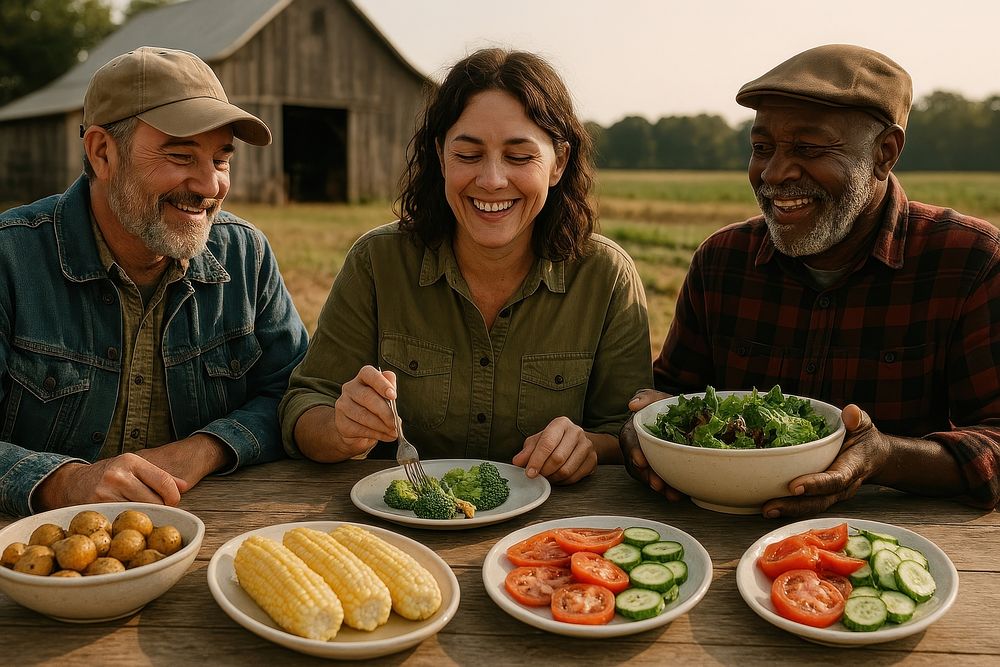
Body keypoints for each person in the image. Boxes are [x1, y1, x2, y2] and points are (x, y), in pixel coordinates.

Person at [621, 44, 1000, 516]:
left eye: (809, 148)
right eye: (762, 148)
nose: (776, 173)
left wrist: (884, 458)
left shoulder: (968, 261)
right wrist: (643, 424)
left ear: (885, 154)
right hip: (721, 538)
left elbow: (995, 438)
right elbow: (673, 396)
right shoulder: (722, 262)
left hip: (894, 547)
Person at [279, 48, 651, 484]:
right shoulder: (377, 262)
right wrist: (340, 430)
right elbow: (304, 404)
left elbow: (628, 434)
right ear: (440, 157)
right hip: (398, 531)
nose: (492, 179)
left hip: (546, 539)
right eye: (468, 155)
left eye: (519, 156)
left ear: (559, 163)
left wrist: (587, 445)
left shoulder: (607, 277)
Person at [0, 47, 308, 517]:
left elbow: (291, 393)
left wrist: (203, 448)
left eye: (221, 159)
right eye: (181, 155)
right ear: (103, 152)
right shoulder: (10, 259)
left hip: (210, 542)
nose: (210, 186)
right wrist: (64, 483)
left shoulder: (246, 256)